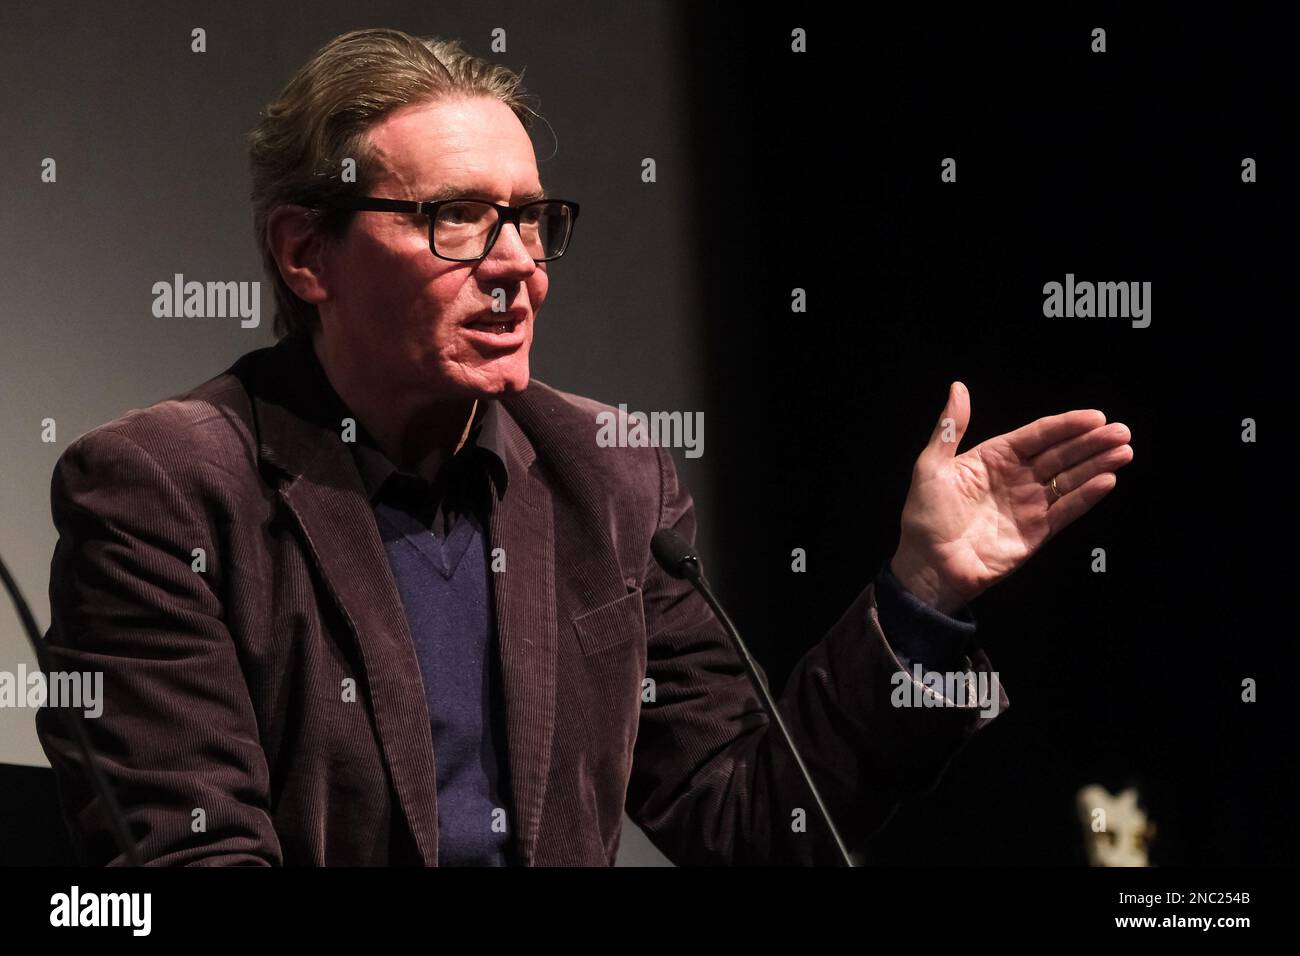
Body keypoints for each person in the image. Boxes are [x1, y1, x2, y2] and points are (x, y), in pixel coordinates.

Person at [36, 28, 1133, 866]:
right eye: (455, 217)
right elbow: (192, 855)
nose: (517, 263)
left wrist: (919, 593)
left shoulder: (605, 473)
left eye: (531, 219)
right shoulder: (166, 490)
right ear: (303, 252)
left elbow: (750, 814)